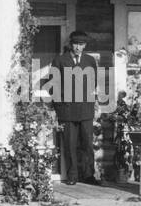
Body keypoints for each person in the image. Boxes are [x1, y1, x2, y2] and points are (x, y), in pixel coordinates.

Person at [41, 30, 105, 186]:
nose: (78, 47)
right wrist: (61, 102)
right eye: (76, 44)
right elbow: (53, 85)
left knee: (87, 144)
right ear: (71, 44)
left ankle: (89, 175)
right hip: (67, 109)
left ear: (85, 45)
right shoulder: (60, 60)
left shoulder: (90, 61)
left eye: (81, 44)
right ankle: (72, 175)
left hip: (85, 108)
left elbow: (94, 82)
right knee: (69, 144)